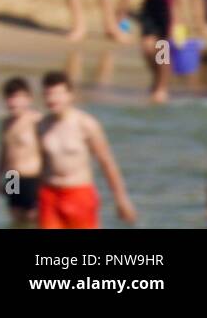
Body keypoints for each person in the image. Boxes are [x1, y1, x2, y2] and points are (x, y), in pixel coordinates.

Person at [36, 71, 136, 228]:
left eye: (58, 94)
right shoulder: (41, 125)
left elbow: (106, 162)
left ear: (70, 95)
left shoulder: (86, 124)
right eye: (48, 94)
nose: (53, 99)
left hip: (78, 194)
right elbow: (39, 164)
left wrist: (121, 199)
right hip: (50, 195)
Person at [0, 77, 42, 226]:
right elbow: (3, 152)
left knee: (33, 217)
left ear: (28, 99)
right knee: (14, 217)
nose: (12, 102)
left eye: (17, 97)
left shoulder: (37, 121)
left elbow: (49, 151)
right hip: (11, 176)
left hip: (32, 177)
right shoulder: (6, 123)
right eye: (9, 97)